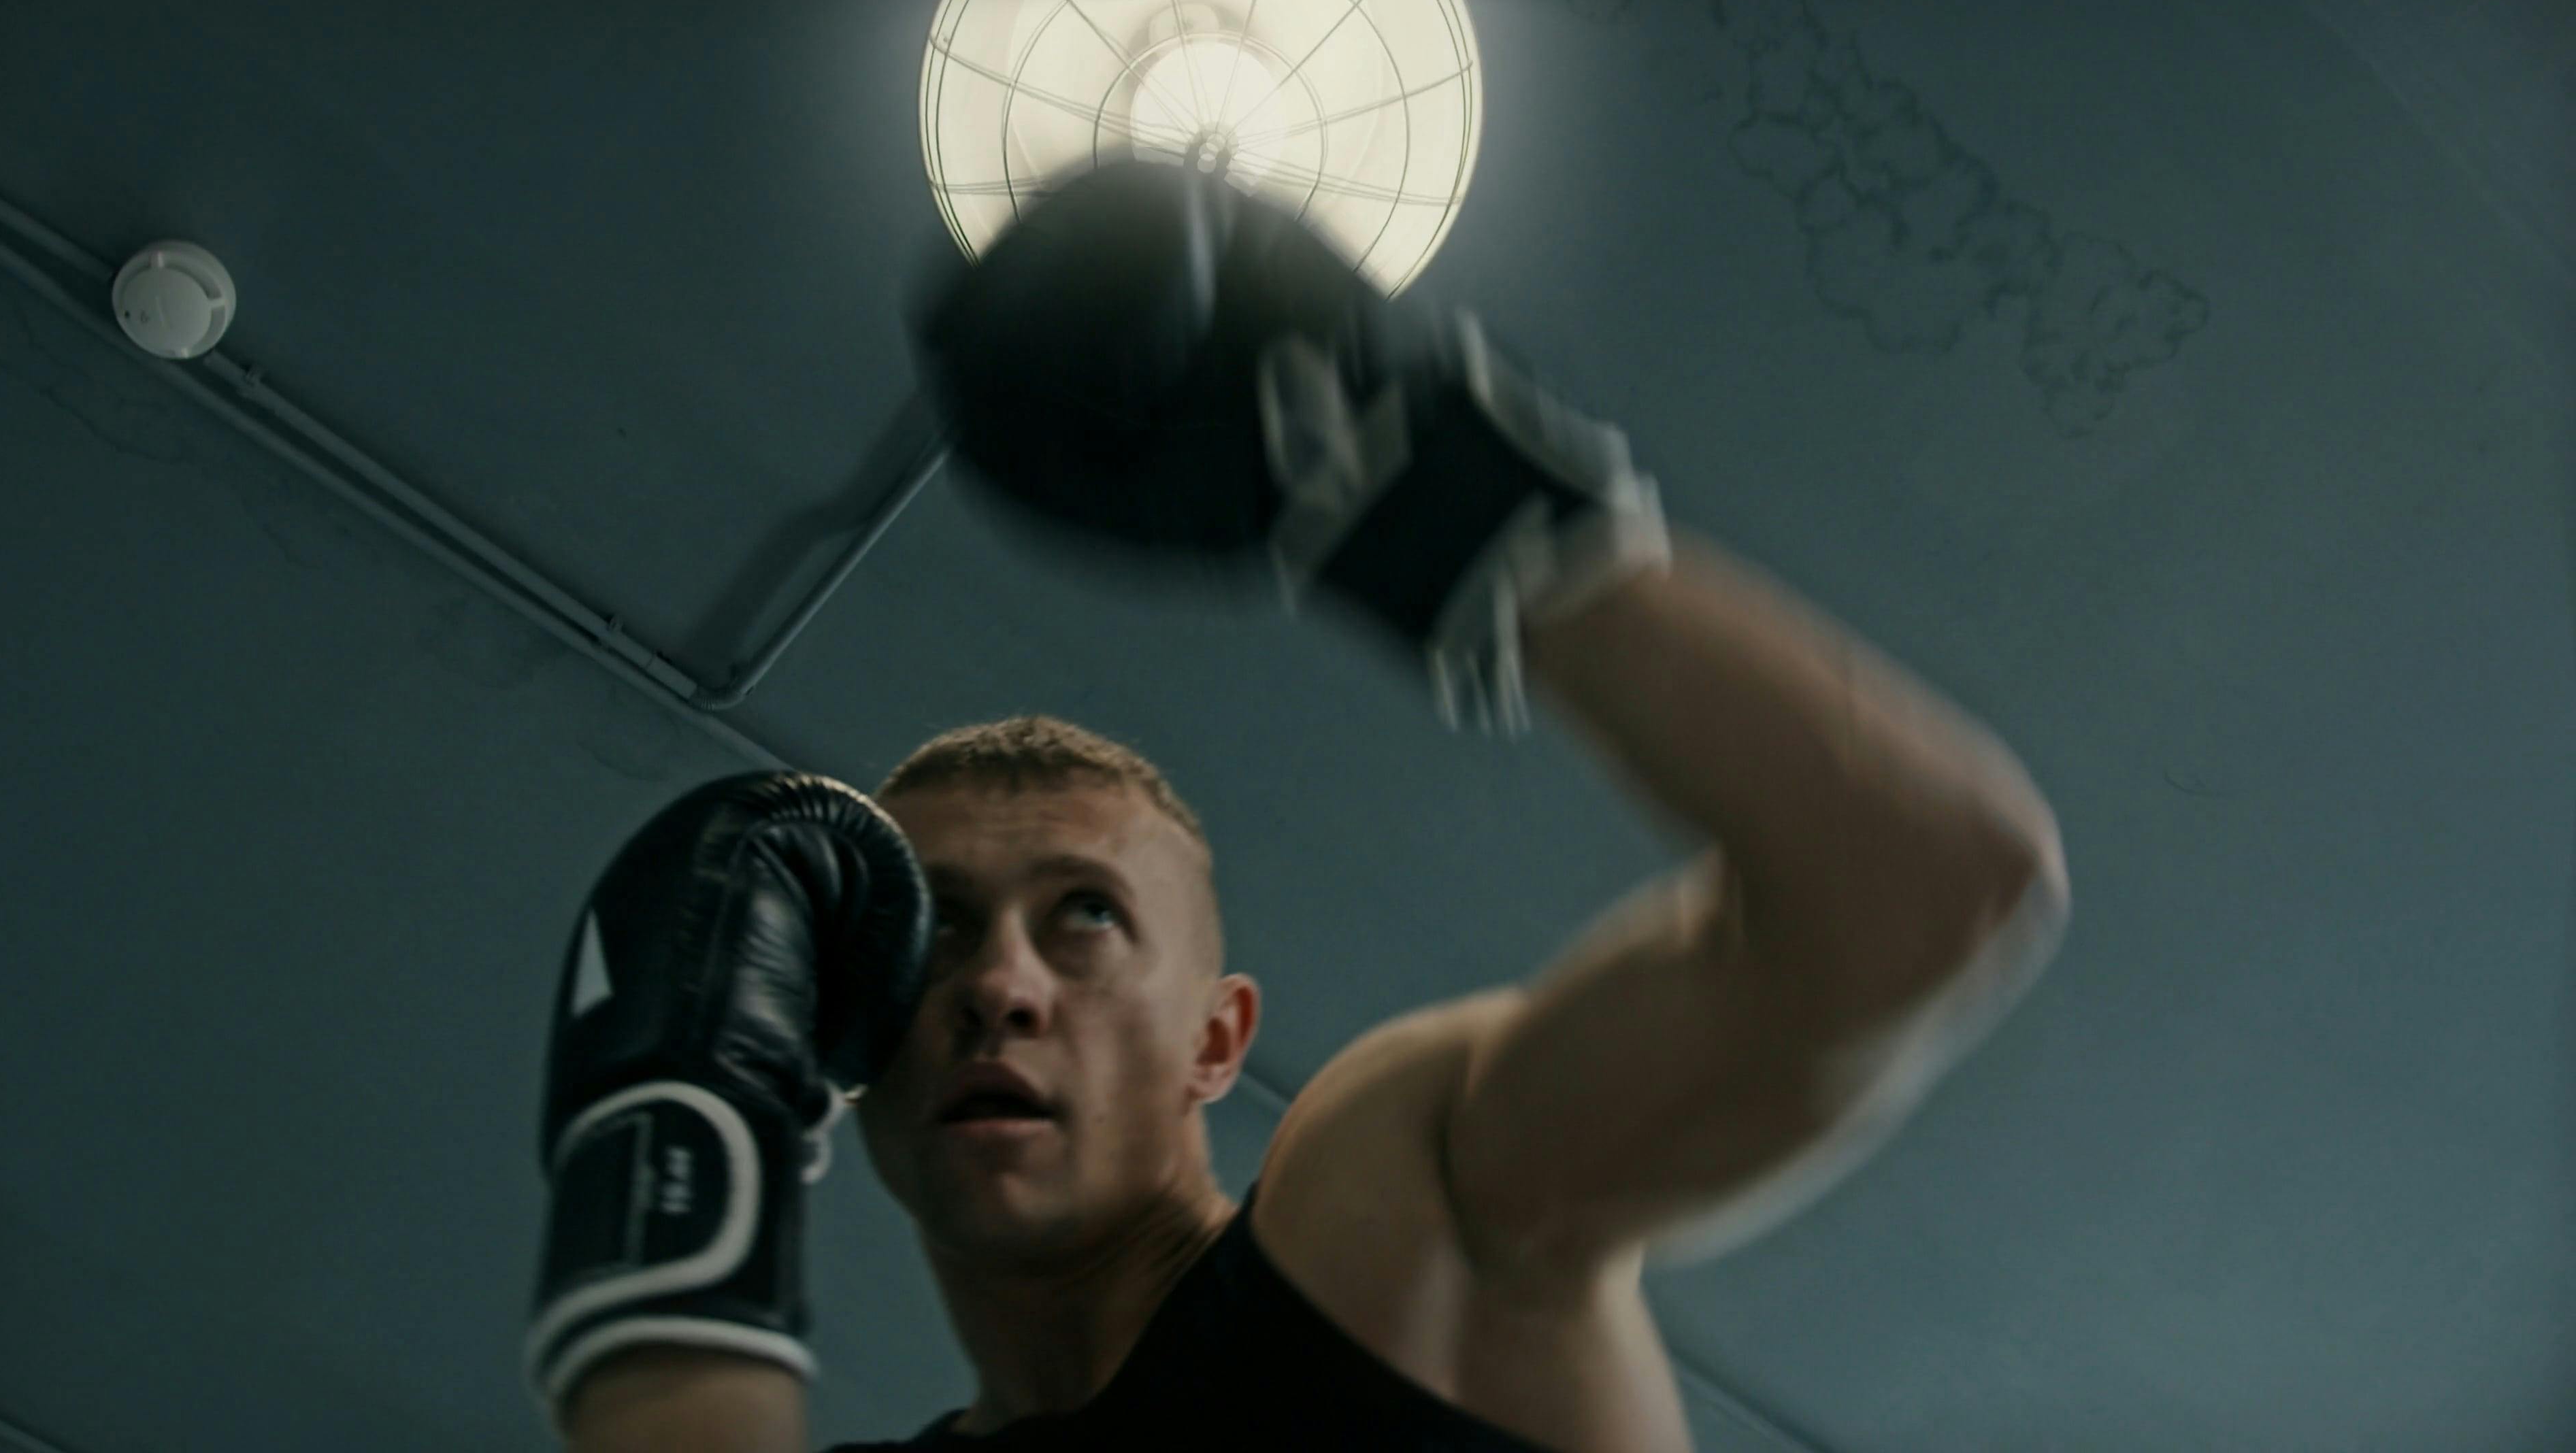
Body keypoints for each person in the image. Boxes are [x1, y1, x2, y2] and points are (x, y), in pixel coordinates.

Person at [524, 161, 2073, 1452]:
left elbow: (1927, 888)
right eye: (928, 942)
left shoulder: (1405, 1218)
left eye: (1085, 921)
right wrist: (685, 1120)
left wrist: (1432, 498)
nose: (996, 990)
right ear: (849, 1054)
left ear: (1219, 1039)